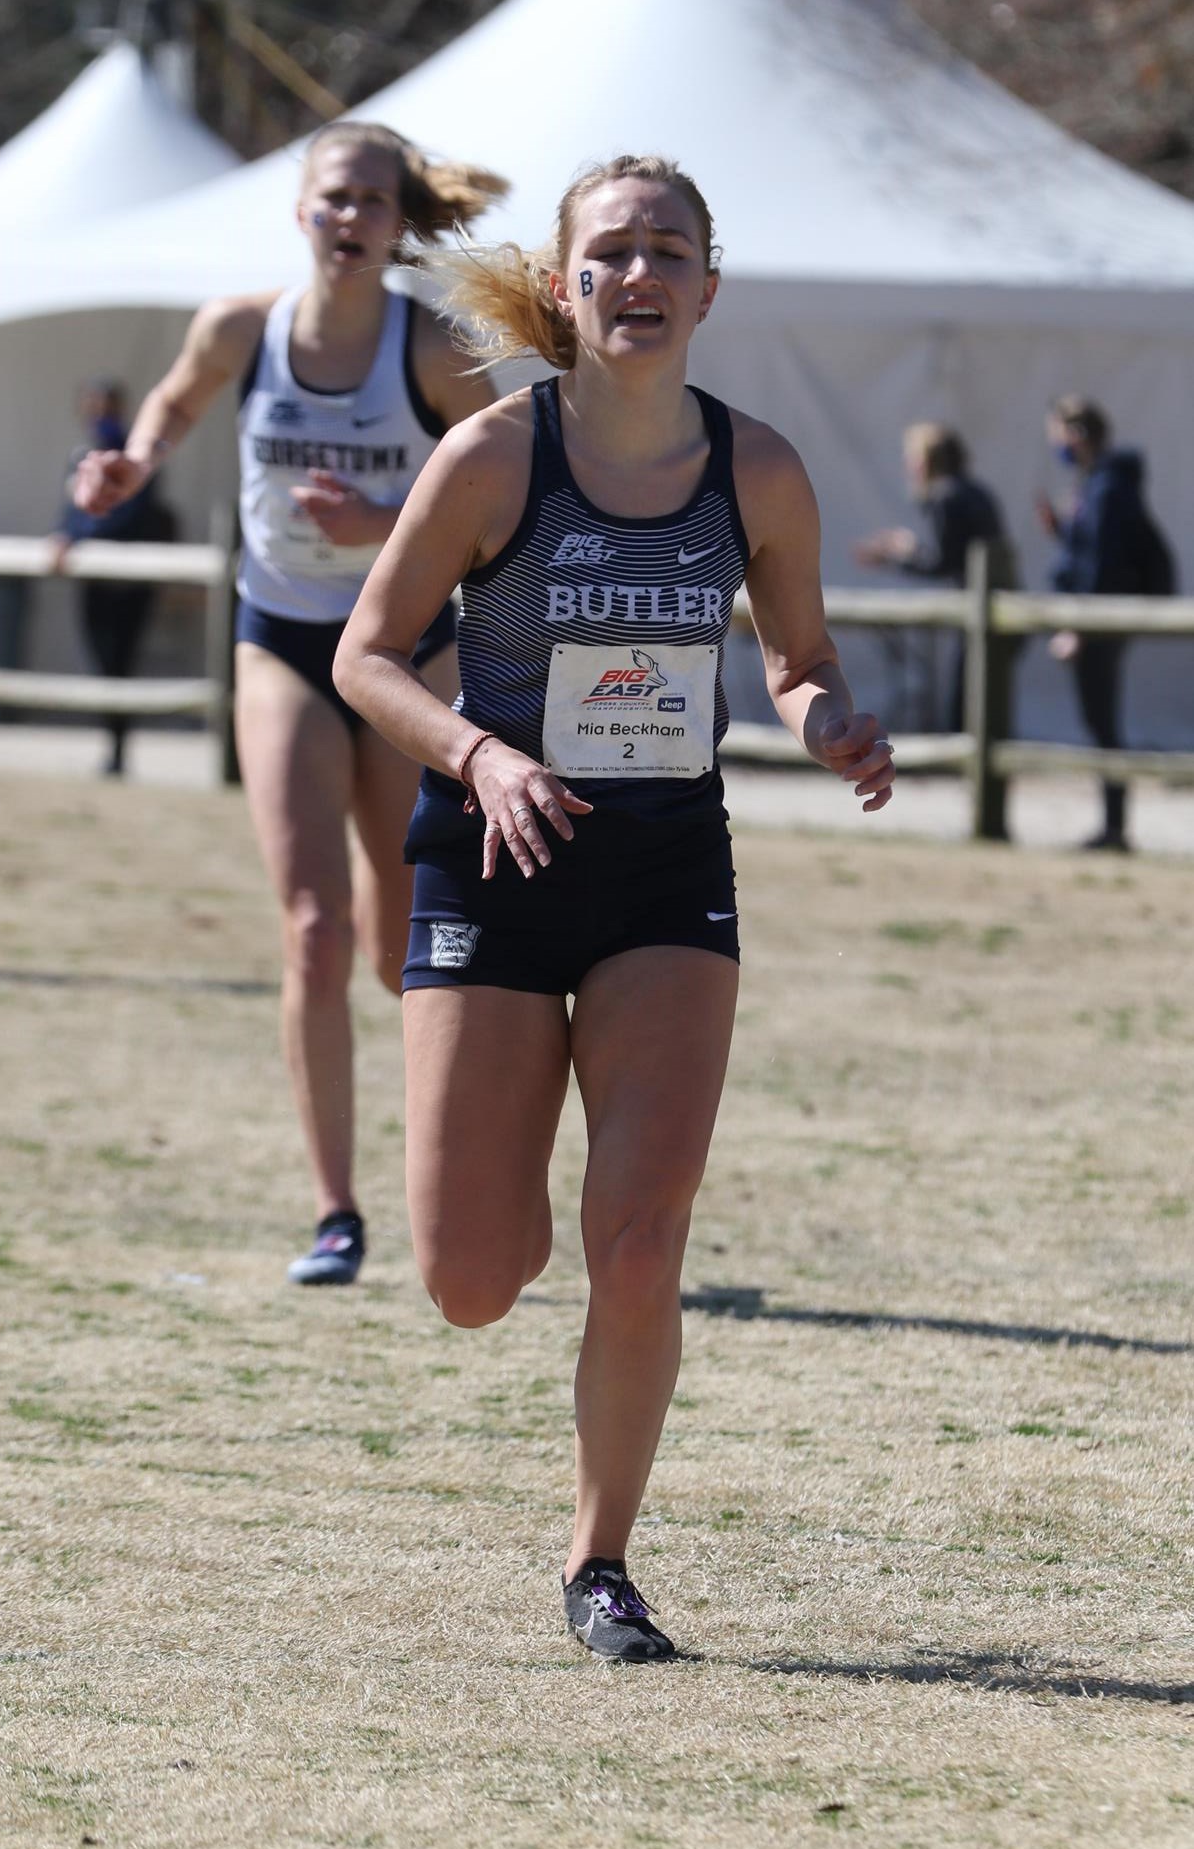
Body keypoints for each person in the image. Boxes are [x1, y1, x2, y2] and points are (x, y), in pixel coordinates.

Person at [334, 153, 895, 1664]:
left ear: (708, 286)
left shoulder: (756, 471)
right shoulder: (495, 460)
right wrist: (477, 753)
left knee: (639, 1238)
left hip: (661, 868)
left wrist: (828, 715)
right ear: (565, 289)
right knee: (468, 1278)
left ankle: (600, 1567)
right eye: (608, 254)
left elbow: (794, 658)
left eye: (665, 252)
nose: (636, 276)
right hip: (492, 861)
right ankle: (487, 1237)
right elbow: (367, 657)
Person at [73, 122, 506, 1284]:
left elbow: (513, 489)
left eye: (373, 201)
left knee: (394, 941)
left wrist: (391, 528)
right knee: (311, 928)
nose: (351, 218)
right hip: (276, 643)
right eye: (333, 199)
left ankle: (454, 1170)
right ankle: (334, 1212)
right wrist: (132, 463)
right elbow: (174, 400)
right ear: (299, 211)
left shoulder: (432, 354)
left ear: (397, 221)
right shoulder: (239, 328)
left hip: (406, 653)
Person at [1037, 395, 1171, 852]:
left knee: (1103, 721)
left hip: (1098, 617)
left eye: (1058, 434)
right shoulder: (1096, 482)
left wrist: (1081, 626)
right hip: (1094, 614)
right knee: (1099, 721)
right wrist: (1061, 529)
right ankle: (1112, 824)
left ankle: (1114, 826)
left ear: (1076, 435)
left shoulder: (1107, 487)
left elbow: (1104, 562)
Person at [856, 421, 1012, 731]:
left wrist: (900, 555)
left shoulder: (946, 497)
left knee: (967, 705)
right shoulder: (974, 490)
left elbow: (943, 563)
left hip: (982, 608)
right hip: (1001, 601)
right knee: (986, 698)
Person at [51, 379, 169, 779]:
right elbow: (72, 507)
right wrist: (66, 535)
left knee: (122, 657)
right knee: (100, 657)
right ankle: (110, 744)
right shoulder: (82, 454)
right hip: (94, 574)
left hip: (129, 576)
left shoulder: (134, 457)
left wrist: (84, 535)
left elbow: (128, 513)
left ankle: (119, 748)